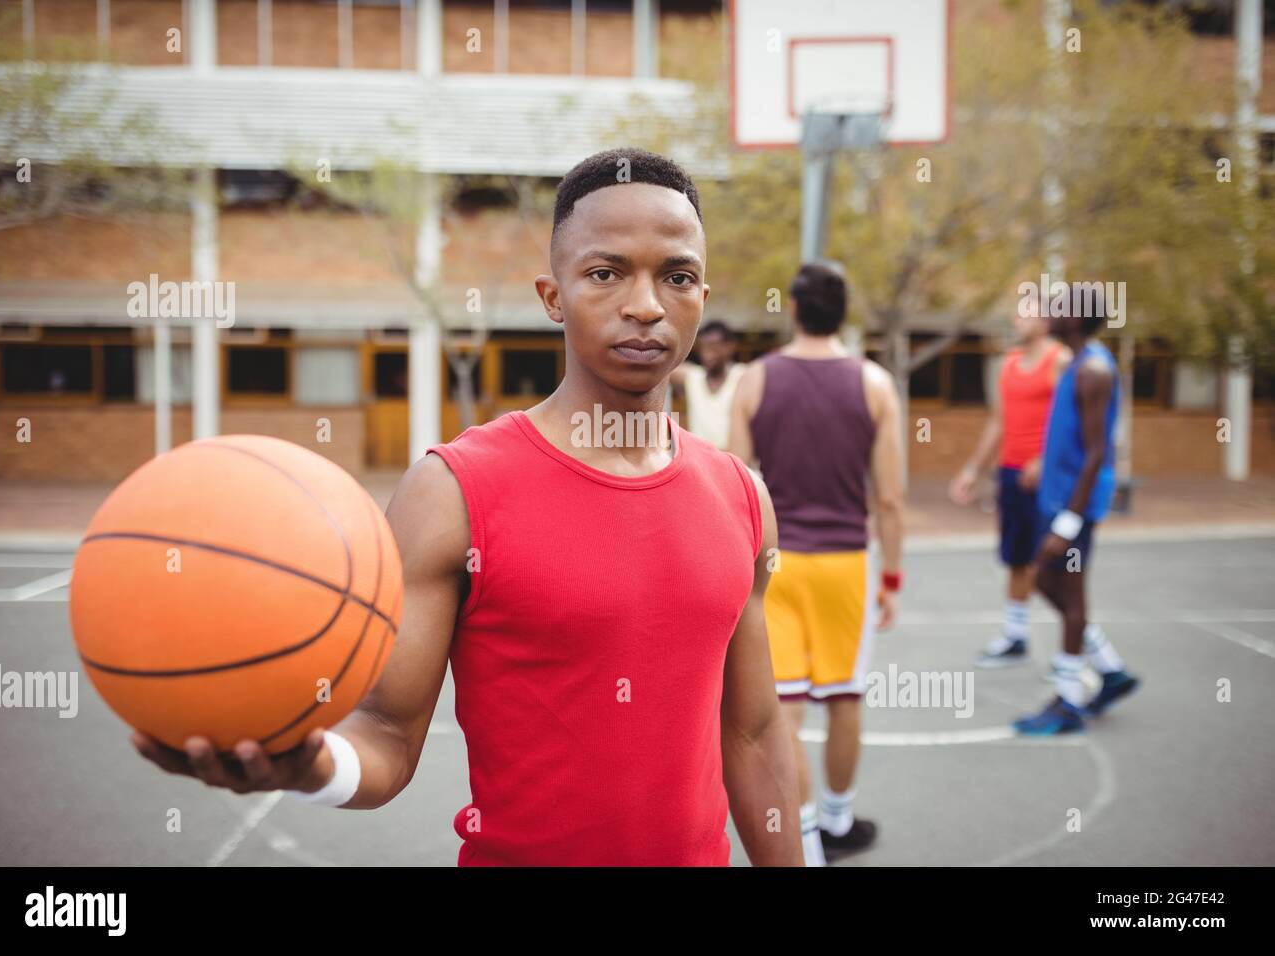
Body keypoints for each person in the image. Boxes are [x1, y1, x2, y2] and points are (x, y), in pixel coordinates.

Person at [130, 147, 804, 867]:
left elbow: (756, 732)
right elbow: (385, 732)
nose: (644, 305)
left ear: (702, 296)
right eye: (606, 274)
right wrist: (313, 766)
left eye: (677, 277)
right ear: (553, 296)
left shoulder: (742, 496)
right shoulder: (454, 492)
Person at [728, 261, 904, 865]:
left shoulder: (753, 380)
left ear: (795, 309)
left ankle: (804, 836)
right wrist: (892, 578)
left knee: (784, 708)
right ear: (843, 312)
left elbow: (737, 485)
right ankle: (836, 819)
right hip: (845, 564)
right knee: (845, 696)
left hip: (776, 562)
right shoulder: (875, 384)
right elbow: (889, 497)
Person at [1013, 286, 1140, 735]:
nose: (1049, 311)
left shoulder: (1093, 371)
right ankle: (1109, 669)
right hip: (1059, 498)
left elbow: (1095, 454)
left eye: (1058, 306)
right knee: (1049, 583)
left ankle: (1068, 702)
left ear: (1078, 317)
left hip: (1075, 507)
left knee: (1070, 597)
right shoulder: (1076, 362)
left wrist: (1069, 521)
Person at [949, 301, 1070, 668]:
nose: (1018, 319)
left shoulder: (1060, 359)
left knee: (1049, 566)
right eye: (1016, 313)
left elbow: (1068, 422)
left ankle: (1074, 648)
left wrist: (1047, 462)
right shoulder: (1008, 364)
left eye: (1027, 313)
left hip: (1046, 480)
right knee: (1017, 559)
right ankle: (1015, 637)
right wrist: (972, 470)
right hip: (1011, 473)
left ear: (1046, 320)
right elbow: (997, 424)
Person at [668, 319, 746, 450]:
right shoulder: (693, 377)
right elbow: (662, 368)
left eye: (713, 346)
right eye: (703, 347)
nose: (707, 353)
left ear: (730, 347)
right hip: (702, 462)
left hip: (736, 461)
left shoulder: (743, 377)